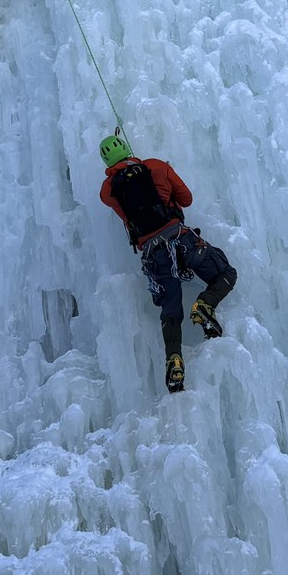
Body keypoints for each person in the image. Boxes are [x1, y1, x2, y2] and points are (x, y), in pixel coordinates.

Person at [97, 132, 237, 395]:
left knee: (170, 310)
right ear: (126, 147)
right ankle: (206, 304)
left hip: (154, 255)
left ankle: (175, 362)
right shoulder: (157, 166)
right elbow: (187, 200)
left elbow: (112, 196)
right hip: (182, 239)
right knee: (226, 273)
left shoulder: (108, 190)